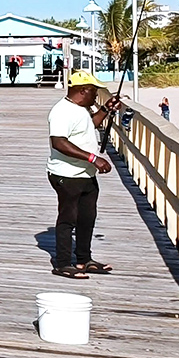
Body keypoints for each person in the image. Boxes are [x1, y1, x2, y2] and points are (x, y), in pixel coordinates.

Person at [47, 70, 121, 279]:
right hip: (67, 174)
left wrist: (105, 109)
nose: (96, 95)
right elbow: (58, 142)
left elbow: (90, 125)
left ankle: (83, 260)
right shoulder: (62, 111)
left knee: (87, 218)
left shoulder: (81, 109)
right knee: (68, 218)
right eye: (94, 91)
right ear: (83, 90)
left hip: (86, 175)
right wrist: (93, 158)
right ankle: (62, 264)